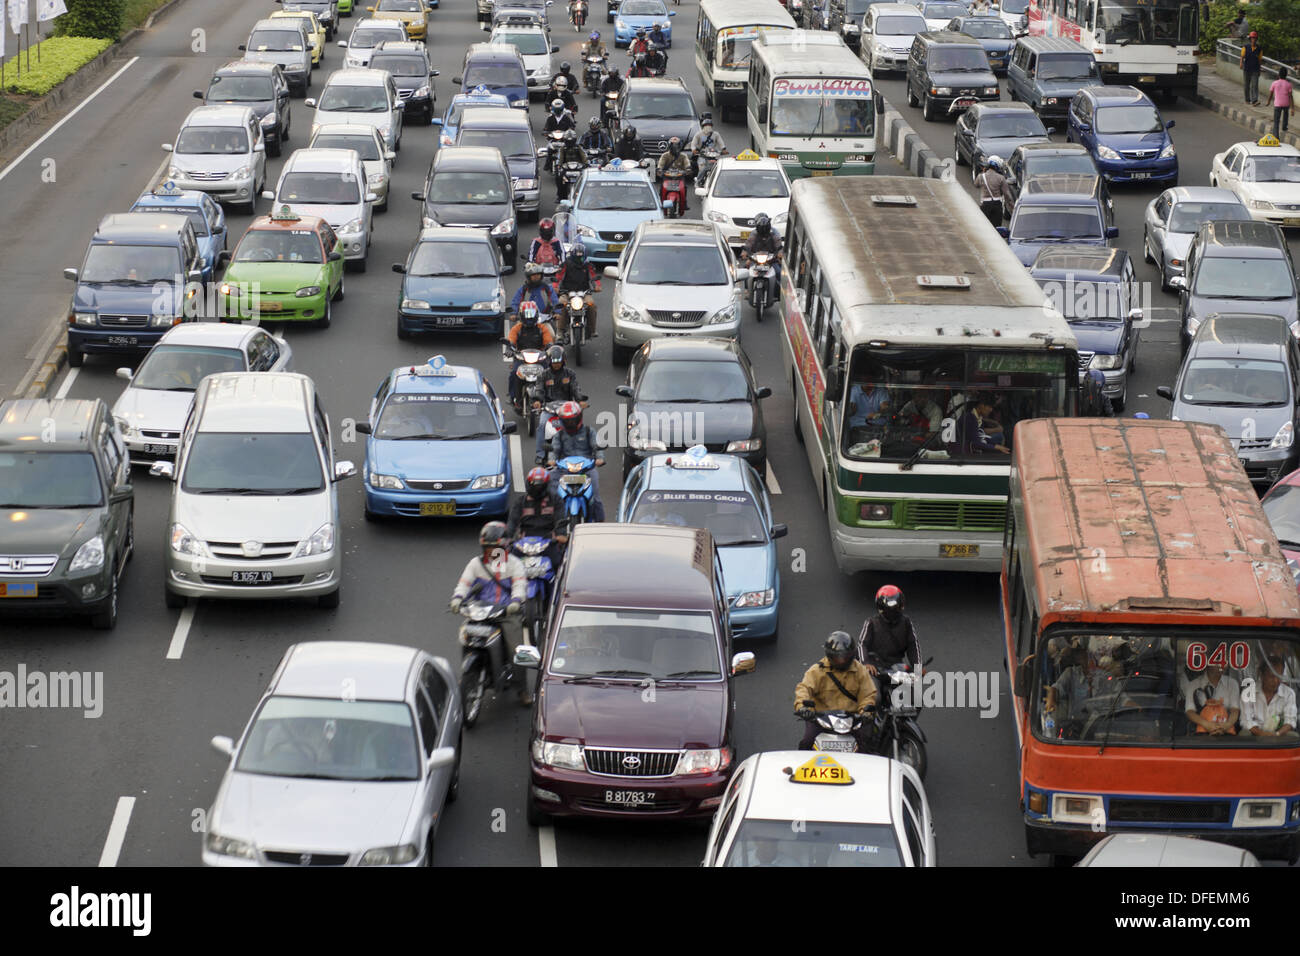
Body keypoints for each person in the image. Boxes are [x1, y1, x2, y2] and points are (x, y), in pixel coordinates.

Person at [450, 522, 532, 705]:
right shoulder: (475, 564)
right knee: (465, 636)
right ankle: (469, 673)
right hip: (480, 611)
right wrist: (457, 598)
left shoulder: (514, 564)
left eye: (495, 548)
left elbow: (520, 586)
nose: (491, 552)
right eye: (488, 548)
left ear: (504, 547)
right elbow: (464, 584)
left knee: (516, 650)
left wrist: (516, 602)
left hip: (506, 613)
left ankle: (522, 689)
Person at [794, 631, 878, 751]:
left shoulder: (860, 670)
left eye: (845, 657)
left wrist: (866, 712)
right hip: (821, 721)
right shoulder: (817, 670)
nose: (841, 661)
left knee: (866, 746)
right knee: (807, 742)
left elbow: (868, 694)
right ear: (829, 656)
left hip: (851, 722)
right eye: (837, 658)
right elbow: (804, 689)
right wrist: (803, 707)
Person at [855, 585, 922, 707]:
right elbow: (861, 645)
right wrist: (866, 664)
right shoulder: (871, 623)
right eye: (888, 610)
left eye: (895, 609)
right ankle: (869, 724)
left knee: (916, 699)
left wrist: (918, 667)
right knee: (874, 699)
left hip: (896, 668)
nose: (892, 613)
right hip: (875, 669)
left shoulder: (906, 623)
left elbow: (913, 645)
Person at [546, 401, 607, 522]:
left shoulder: (590, 432)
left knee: (596, 497)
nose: (570, 423)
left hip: (587, 469)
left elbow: (596, 446)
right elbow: (554, 449)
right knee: (548, 483)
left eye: (572, 420)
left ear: (579, 418)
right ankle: (551, 517)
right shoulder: (559, 435)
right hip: (564, 469)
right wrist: (551, 460)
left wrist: (600, 459)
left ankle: (600, 522)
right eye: (567, 421)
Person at [506, 466, 569, 574]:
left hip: (549, 542)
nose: (537, 488)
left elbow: (560, 518)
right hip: (524, 544)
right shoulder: (520, 502)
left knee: (560, 565)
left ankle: (555, 589)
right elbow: (512, 523)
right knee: (508, 567)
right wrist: (507, 539)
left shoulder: (555, 500)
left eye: (540, 485)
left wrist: (561, 535)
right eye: (534, 485)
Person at [532, 345, 588, 460]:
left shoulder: (570, 374)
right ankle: (540, 454)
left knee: (577, 427)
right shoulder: (543, 375)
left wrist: (580, 400)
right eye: (554, 362)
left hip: (567, 409)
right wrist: (537, 400)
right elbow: (539, 389)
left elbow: (575, 388)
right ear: (549, 362)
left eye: (559, 362)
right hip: (549, 408)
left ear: (563, 361)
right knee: (541, 425)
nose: (556, 364)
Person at [505, 299, 556, 408]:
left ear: (536, 314)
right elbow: (511, 341)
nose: (529, 317)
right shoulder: (516, 329)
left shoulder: (542, 328)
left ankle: (550, 396)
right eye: (527, 314)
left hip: (540, 358)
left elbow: (548, 341)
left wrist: (550, 347)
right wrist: (509, 349)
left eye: (531, 314)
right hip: (521, 358)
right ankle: (513, 397)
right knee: (514, 374)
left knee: (550, 374)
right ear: (522, 315)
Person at [553, 241, 602, 340]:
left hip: (583, 292)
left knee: (591, 305)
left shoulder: (588, 265)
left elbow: (594, 277)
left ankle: (592, 330)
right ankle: (560, 331)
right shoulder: (565, 264)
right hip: (567, 292)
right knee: (561, 304)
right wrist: (556, 287)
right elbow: (558, 277)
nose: (580, 258)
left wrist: (597, 286)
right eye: (578, 256)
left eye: (581, 256)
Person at [1242, 654, 1297, 737]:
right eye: (1271, 676)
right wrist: (1262, 734)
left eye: (1279, 676)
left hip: (1279, 734)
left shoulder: (1289, 693)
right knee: (1244, 734)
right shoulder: (1248, 692)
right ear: (1262, 675)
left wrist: (1276, 734)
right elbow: (1246, 721)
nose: (1276, 681)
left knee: (1293, 736)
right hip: (1254, 735)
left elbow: (1290, 721)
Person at [1181, 659, 1241, 736]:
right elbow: (1190, 711)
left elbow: (1235, 710)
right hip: (1201, 734)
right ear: (1206, 663)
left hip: (1226, 733)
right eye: (1217, 661)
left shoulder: (1232, 683)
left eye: (1225, 660)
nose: (1222, 664)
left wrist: (1227, 725)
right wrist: (1206, 724)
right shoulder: (1194, 685)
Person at [740, 212, 783, 290]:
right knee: (746, 269)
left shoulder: (773, 234)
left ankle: (780, 291)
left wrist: (780, 253)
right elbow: (748, 243)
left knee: (779, 272)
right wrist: (744, 252)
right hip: (756, 258)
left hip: (771, 259)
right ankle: (747, 290)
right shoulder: (754, 233)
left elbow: (778, 244)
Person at [656, 137, 693, 211]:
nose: (675, 148)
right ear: (670, 146)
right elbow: (660, 164)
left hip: (679, 176)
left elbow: (687, 164)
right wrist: (659, 169)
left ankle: (684, 202)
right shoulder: (665, 155)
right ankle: (660, 202)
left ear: (680, 146)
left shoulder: (683, 156)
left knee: (684, 187)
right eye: (673, 146)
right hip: (667, 176)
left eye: (677, 146)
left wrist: (688, 169)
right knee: (661, 188)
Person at [976, 154, 1009, 227]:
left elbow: (976, 184)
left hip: (985, 204)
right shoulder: (1001, 178)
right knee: (996, 228)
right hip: (997, 205)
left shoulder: (981, 176)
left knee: (984, 227)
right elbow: (1006, 194)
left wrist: (983, 172)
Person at [554, 129, 587, 201]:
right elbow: (561, 157)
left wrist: (586, 163)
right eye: (568, 141)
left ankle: (585, 194)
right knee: (559, 178)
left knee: (585, 178)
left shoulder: (578, 147)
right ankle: (560, 196)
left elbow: (583, 155)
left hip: (578, 167)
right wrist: (559, 165)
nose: (569, 143)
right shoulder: (563, 148)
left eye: (571, 141)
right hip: (566, 167)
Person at [543, 99, 576, 170]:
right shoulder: (550, 118)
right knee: (549, 149)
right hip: (553, 139)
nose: (558, 112)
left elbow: (572, 126)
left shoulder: (566, 118)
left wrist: (569, 131)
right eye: (556, 110)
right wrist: (546, 133)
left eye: (559, 110)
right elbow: (546, 128)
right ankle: (547, 165)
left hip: (564, 139)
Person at [1270, 66, 1294, 138]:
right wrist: (1292, 107)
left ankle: (1276, 136)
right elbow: (1290, 96)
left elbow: (1271, 94)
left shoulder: (1274, 83)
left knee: (1276, 121)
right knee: (1285, 116)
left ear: (1278, 74)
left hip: (1277, 104)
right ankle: (1284, 127)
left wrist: (1268, 102)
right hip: (1286, 104)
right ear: (1286, 75)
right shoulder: (1289, 84)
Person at [1241, 31, 1262, 106]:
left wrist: (1259, 69)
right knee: (1246, 85)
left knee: (1255, 85)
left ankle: (1254, 100)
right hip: (1247, 68)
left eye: (1255, 38)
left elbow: (1259, 60)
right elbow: (1242, 56)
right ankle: (1247, 99)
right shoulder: (1245, 47)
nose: (1254, 39)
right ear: (1250, 39)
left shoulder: (1259, 48)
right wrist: (1241, 63)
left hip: (1255, 69)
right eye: (1252, 38)